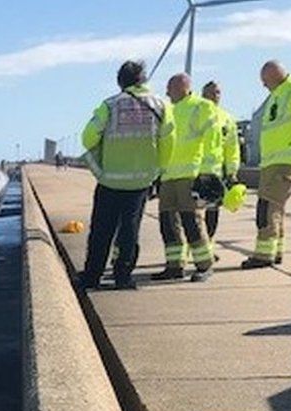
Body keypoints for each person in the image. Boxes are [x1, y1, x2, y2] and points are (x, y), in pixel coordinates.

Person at [79, 60, 174, 290]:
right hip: (141, 181)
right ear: (143, 80)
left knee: (102, 230)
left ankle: (92, 276)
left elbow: (87, 139)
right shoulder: (161, 105)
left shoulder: (110, 105)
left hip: (110, 179)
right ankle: (123, 276)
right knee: (130, 231)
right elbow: (168, 142)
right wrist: (157, 172)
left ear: (120, 81)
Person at [152, 73, 217, 282]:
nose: (166, 92)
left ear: (182, 86)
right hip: (168, 177)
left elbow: (212, 142)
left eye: (169, 88)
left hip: (190, 175)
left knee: (192, 222)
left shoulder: (201, 106)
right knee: (168, 223)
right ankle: (174, 265)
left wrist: (207, 174)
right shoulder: (168, 109)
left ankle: (204, 265)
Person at [242, 60, 291, 269]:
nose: (263, 85)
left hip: (285, 162)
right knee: (275, 209)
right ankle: (275, 251)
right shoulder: (278, 95)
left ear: (274, 75)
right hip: (274, 162)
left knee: (266, 207)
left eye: (265, 81)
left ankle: (263, 255)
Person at [200, 80, 241, 260]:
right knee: (191, 214)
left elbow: (232, 148)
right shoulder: (196, 113)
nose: (215, 96)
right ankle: (195, 248)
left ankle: (207, 247)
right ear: (203, 94)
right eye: (211, 92)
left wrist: (232, 172)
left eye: (217, 92)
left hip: (216, 174)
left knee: (212, 212)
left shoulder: (227, 118)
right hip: (194, 171)